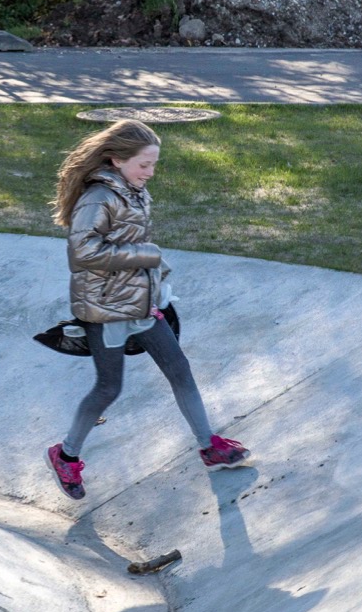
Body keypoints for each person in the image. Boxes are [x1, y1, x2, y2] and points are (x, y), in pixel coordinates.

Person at [46, 118, 251, 501]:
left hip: (140, 302)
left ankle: (210, 447)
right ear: (116, 160)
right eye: (145, 164)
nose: (151, 173)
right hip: (106, 309)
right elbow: (83, 252)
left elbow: (131, 241)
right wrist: (146, 255)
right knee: (109, 387)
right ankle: (65, 454)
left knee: (180, 369)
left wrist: (157, 281)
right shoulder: (98, 198)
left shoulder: (132, 190)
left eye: (154, 164)